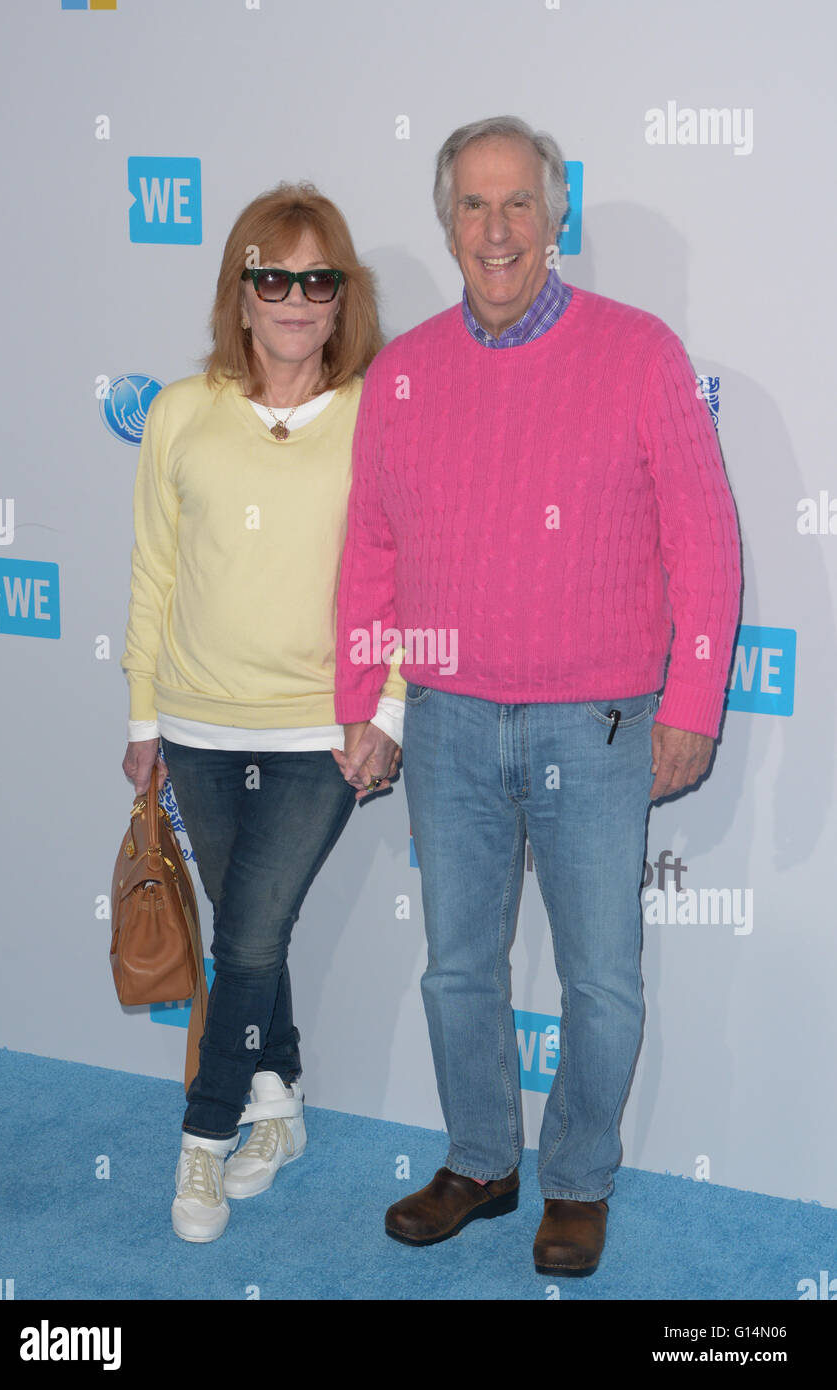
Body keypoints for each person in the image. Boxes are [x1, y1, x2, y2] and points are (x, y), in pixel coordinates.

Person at [333, 116, 741, 1278]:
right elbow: (369, 548)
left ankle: (577, 1179)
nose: (497, 228)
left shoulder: (642, 352)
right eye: (473, 205)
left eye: (519, 204)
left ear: (557, 217)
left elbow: (705, 547)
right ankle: (480, 1159)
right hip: (450, 717)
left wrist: (695, 704)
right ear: (447, 223)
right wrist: (364, 692)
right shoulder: (404, 373)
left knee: (600, 977)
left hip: (600, 720)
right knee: (457, 964)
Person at [121, 183, 403, 1243]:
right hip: (196, 724)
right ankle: (279, 1101)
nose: (294, 296)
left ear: (342, 302)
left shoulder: (380, 415)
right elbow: (152, 571)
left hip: (320, 732)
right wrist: (145, 718)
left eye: (316, 279)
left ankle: (203, 1136)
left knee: (246, 936)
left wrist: (391, 710)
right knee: (257, 929)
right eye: (271, 276)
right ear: (241, 295)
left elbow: (406, 577)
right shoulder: (181, 412)